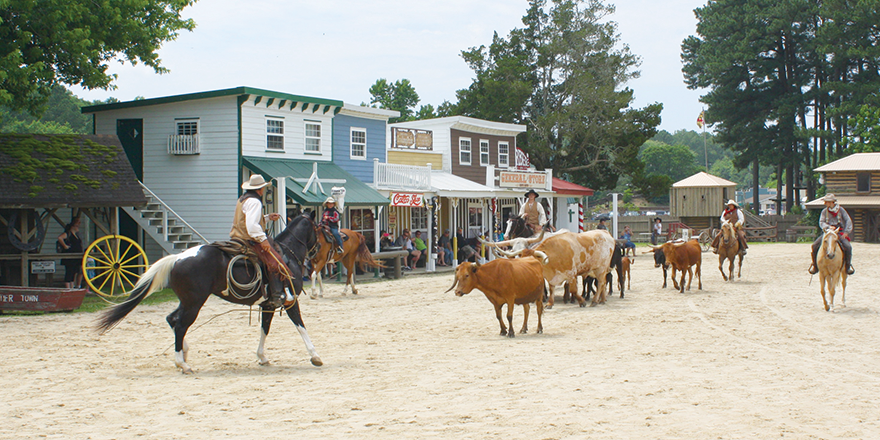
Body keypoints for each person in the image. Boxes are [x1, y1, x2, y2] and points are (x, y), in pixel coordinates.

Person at [230, 174, 288, 308]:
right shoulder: (255, 202)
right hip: (248, 239)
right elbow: (251, 226)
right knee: (274, 261)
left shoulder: (243, 199)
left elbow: (247, 221)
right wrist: (263, 239)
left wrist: (267, 218)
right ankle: (276, 294)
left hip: (237, 236)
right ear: (259, 190)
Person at [809, 193, 855, 275]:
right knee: (815, 245)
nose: (826, 203)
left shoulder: (841, 210)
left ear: (832, 202)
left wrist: (846, 232)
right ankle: (815, 266)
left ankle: (847, 266)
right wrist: (828, 227)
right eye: (826, 202)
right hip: (827, 232)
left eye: (828, 202)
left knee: (848, 246)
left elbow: (848, 221)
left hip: (839, 232)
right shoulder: (824, 211)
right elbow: (821, 222)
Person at [57, 217, 83, 289]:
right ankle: (68, 288)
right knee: (69, 272)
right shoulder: (67, 234)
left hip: (76, 257)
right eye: (76, 226)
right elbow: (60, 238)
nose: (78, 227)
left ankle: (72, 287)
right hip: (69, 257)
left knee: (74, 273)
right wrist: (65, 246)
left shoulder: (76, 235)